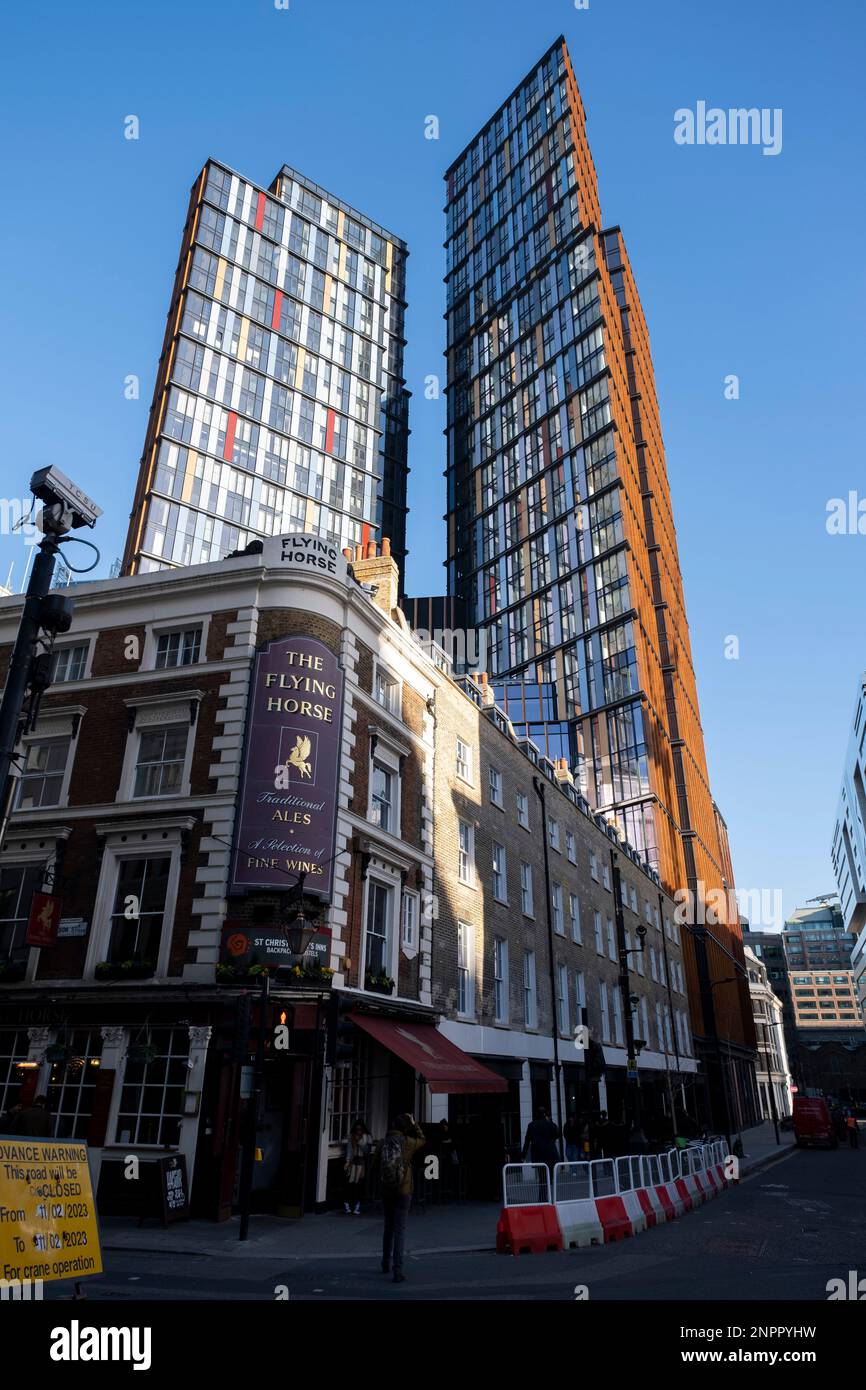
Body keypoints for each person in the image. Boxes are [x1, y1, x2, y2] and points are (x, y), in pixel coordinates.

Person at [380, 1113, 425, 1283]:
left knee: (388, 1227)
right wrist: (414, 1124)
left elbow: (375, 1163)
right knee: (400, 1230)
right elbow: (422, 1139)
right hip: (404, 1190)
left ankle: (385, 1263)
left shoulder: (384, 1142)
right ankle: (397, 1270)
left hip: (386, 1190)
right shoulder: (407, 1143)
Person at [521, 1106, 562, 1189]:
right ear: (544, 1114)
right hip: (550, 1154)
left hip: (538, 1155)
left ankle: (543, 1196)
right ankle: (547, 1194)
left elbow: (527, 1141)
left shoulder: (531, 1125)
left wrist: (523, 1155)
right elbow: (558, 1134)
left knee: (542, 1177)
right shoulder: (550, 1124)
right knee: (549, 1176)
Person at [343, 1118, 373, 1214]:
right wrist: (347, 1162)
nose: (358, 1131)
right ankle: (348, 1204)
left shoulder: (367, 1137)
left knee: (359, 1185)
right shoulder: (351, 1137)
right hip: (352, 1161)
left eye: (360, 1129)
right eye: (357, 1129)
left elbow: (367, 1151)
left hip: (361, 1162)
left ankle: (357, 1206)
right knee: (350, 1184)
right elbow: (349, 1150)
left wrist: (359, 1142)